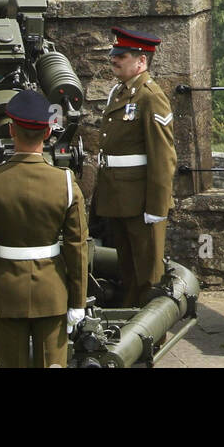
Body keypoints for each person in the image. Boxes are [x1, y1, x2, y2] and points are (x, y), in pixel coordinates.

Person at [0, 91, 88, 368]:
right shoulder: (65, 182)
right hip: (53, 292)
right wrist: (78, 301)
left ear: (11, 130)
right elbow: (77, 247)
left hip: (7, 291)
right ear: (48, 133)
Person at [92, 28, 176, 305]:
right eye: (114, 54)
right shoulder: (120, 92)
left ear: (141, 61)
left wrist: (157, 207)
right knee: (127, 270)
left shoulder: (150, 97)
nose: (114, 60)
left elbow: (163, 156)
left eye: (122, 55)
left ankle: (150, 335)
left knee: (147, 273)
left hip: (141, 201)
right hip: (119, 197)